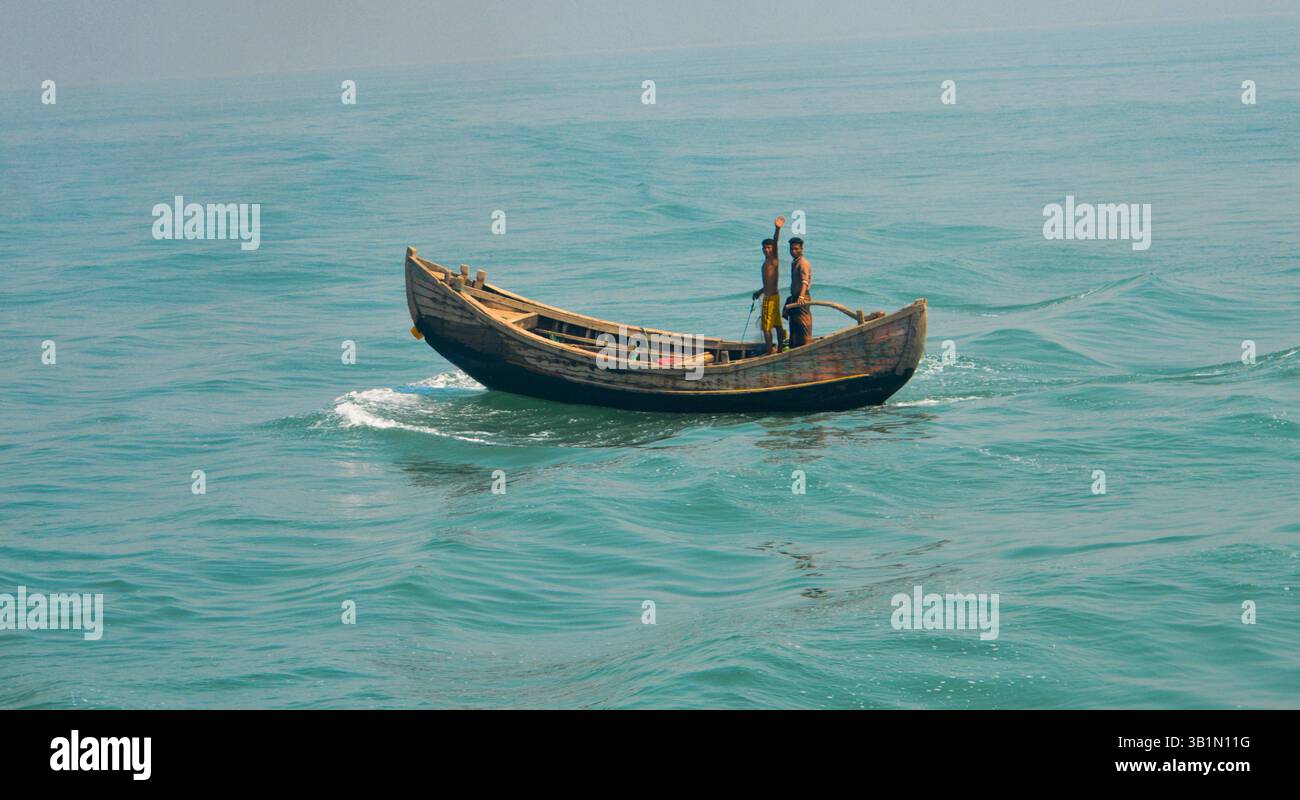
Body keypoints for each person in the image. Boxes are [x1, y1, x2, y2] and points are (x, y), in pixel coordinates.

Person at [751, 216, 786, 354]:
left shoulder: (773, 260)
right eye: (764, 248)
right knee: (777, 325)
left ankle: (771, 353)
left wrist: (777, 229)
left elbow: (776, 241)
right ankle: (780, 350)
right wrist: (760, 292)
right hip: (773, 296)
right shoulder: (765, 263)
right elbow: (768, 283)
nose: (767, 250)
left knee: (766, 328)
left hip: (770, 299)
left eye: (769, 247)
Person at [784, 237, 813, 347]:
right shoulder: (795, 262)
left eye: (796, 249)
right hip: (795, 297)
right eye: (791, 249)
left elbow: (804, 282)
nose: (793, 251)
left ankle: (806, 347)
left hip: (802, 298)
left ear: (802, 249)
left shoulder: (803, 263)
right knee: (795, 326)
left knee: (803, 325)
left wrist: (801, 297)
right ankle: (795, 347)